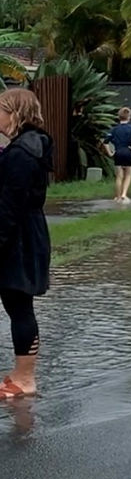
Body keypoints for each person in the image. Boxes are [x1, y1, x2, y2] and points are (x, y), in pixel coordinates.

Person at [0, 89, 53, 400]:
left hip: (18, 238)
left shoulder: (22, 153)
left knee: (19, 306)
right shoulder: (28, 145)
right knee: (17, 306)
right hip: (25, 233)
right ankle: (21, 376)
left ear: (14, 112)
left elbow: (10, 207)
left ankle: (24, 379)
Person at [103, 106, 131, 203]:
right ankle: (124, 194)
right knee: (128, 174)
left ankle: (118, 196)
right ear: (129, 117)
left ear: (119, 117)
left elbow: (105, 142)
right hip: (128, 152)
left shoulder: (114, 129)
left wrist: (110, 153)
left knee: (119, 176)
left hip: (118, 152)